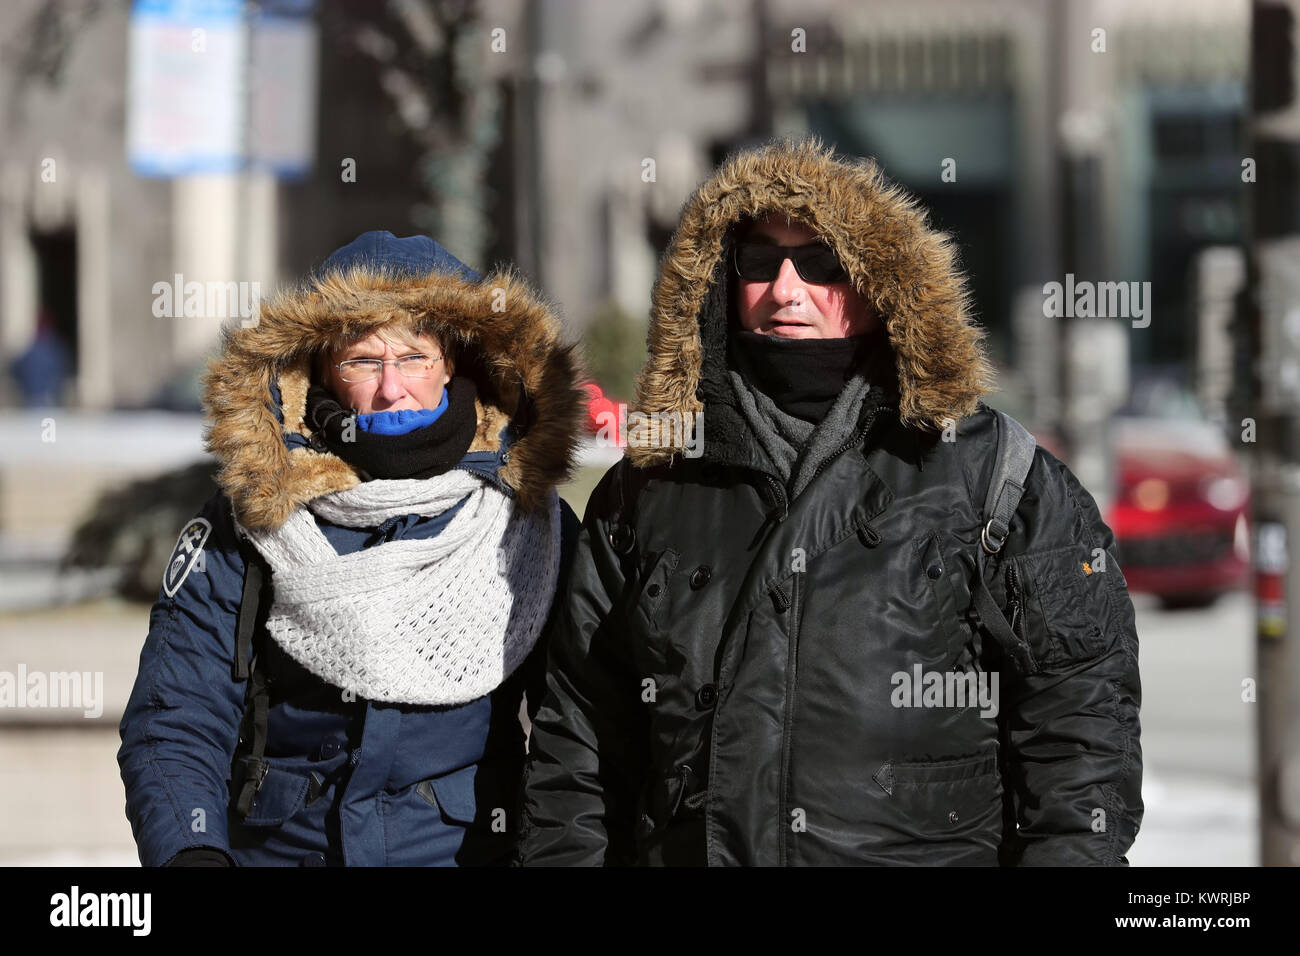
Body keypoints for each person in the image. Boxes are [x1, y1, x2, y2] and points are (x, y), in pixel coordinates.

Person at [517, 139, 1143, 866]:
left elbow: (1079, 723)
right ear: (722, 280)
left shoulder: (992, 476)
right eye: (759, 262)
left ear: (882, 285)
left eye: (822, 265)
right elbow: (580, 740)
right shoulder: (649, 486)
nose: (787, 291)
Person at [118, 231, 585, 866]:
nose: (392, 388)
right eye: (365, 360)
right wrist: (192, 850)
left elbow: (581, 736)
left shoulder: (533, 527)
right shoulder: (251, 522)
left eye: (414, 356)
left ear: (452, 362)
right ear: (323, 371)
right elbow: (175, 717)